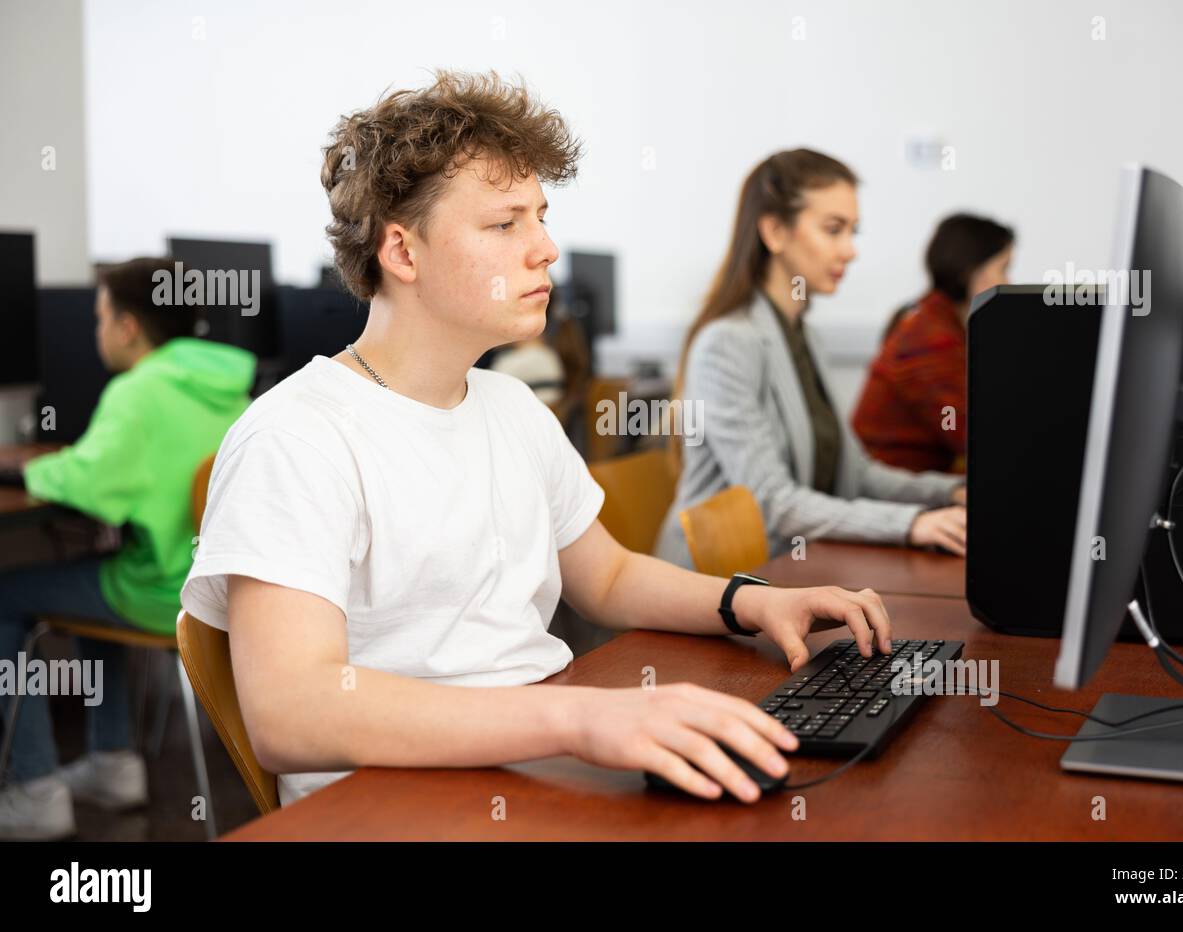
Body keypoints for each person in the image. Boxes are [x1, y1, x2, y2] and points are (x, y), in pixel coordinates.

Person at [180, 71, 904, 810]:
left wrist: (750, 602)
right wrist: (577, 718)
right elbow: (293, 713)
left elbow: (610, 579)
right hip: (389, 805)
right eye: (505, 224)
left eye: (542, 217)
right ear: (402, 252)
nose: (547, 248)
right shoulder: (296, 437)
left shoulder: (511, 406)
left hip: (529, 766)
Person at [0, 257, 256, 839]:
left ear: (129, 327)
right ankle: (113, 765)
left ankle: (34, 790)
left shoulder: (139, 391)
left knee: (6, 597)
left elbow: (90, 483)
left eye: (100, 317)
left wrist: (22, 469)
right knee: (96, 573)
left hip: (165, 592)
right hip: (219, 590)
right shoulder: (224, 385)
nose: (96, 332)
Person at [653, 149, 969, 572]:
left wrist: (950, 493)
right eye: (834, 229)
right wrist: (912, 524)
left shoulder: (806, 338)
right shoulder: (727, 343)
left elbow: (858, 474)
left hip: (789, 569)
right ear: (775, 231)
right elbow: (773, 501)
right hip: (716, 581)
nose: (850, 250)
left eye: (853, 231)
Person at [852, 213, 1014, 473]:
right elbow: (967, 435)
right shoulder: (930, 338)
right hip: (892, 491)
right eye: (1004, 269)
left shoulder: (936, 321)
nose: (1009, 283)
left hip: (913, 482)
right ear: (972, 270)